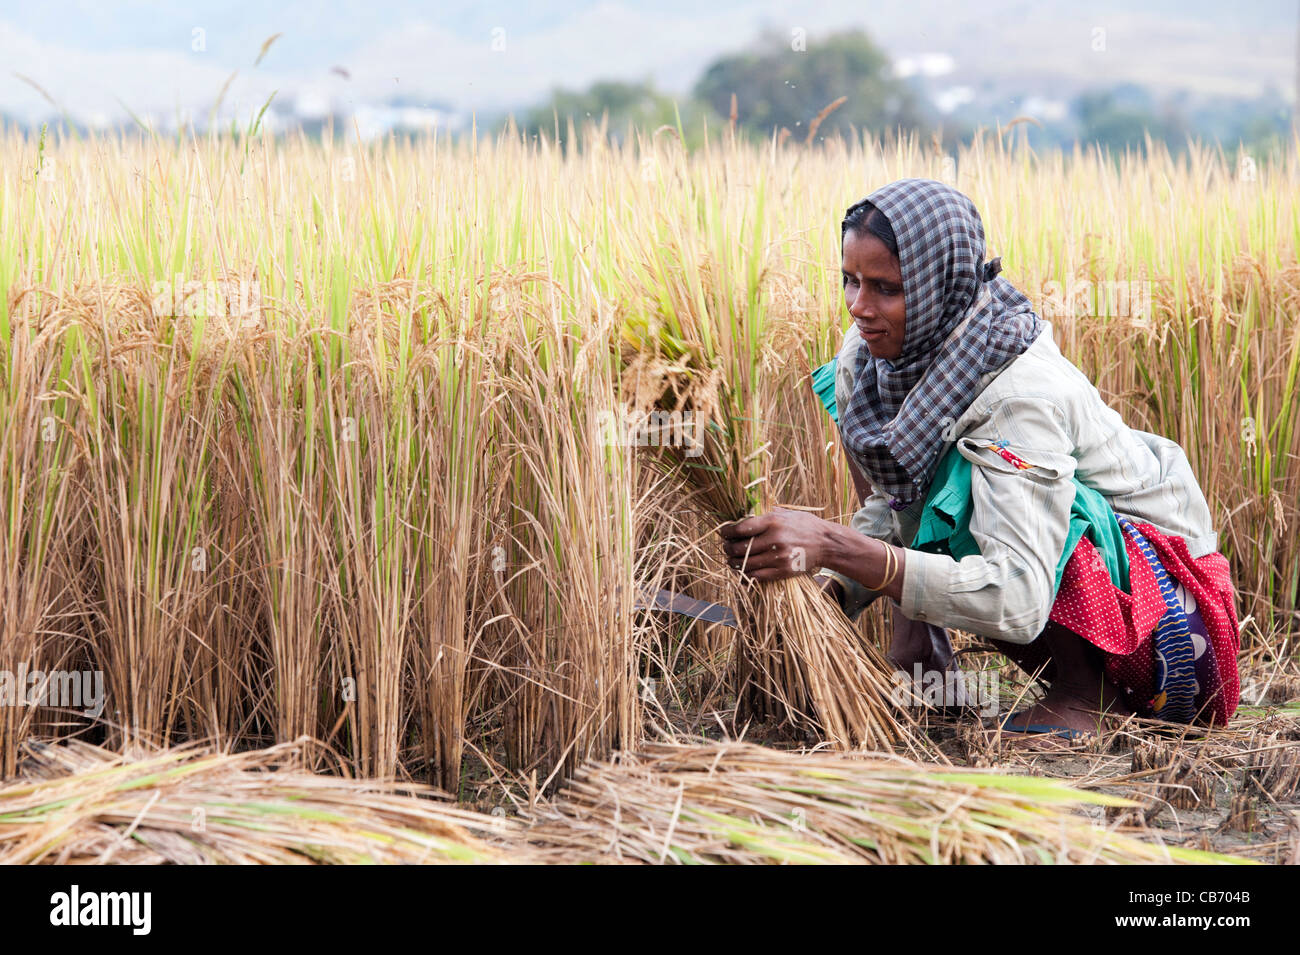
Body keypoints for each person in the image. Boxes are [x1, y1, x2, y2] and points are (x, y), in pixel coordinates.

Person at [718, 178, 1241, 741]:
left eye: (885, 288)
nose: (858, 307)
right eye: (850, 280)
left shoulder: (1017, 396)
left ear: (939, 285)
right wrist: (836, 587)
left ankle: (1086, 696)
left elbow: (1016, 595)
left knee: (969, 478)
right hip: (1095, 598)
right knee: (924, 476)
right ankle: (922, 651)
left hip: (1175, 634)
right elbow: (894, 505)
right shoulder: (870, 356)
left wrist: (834, 545)